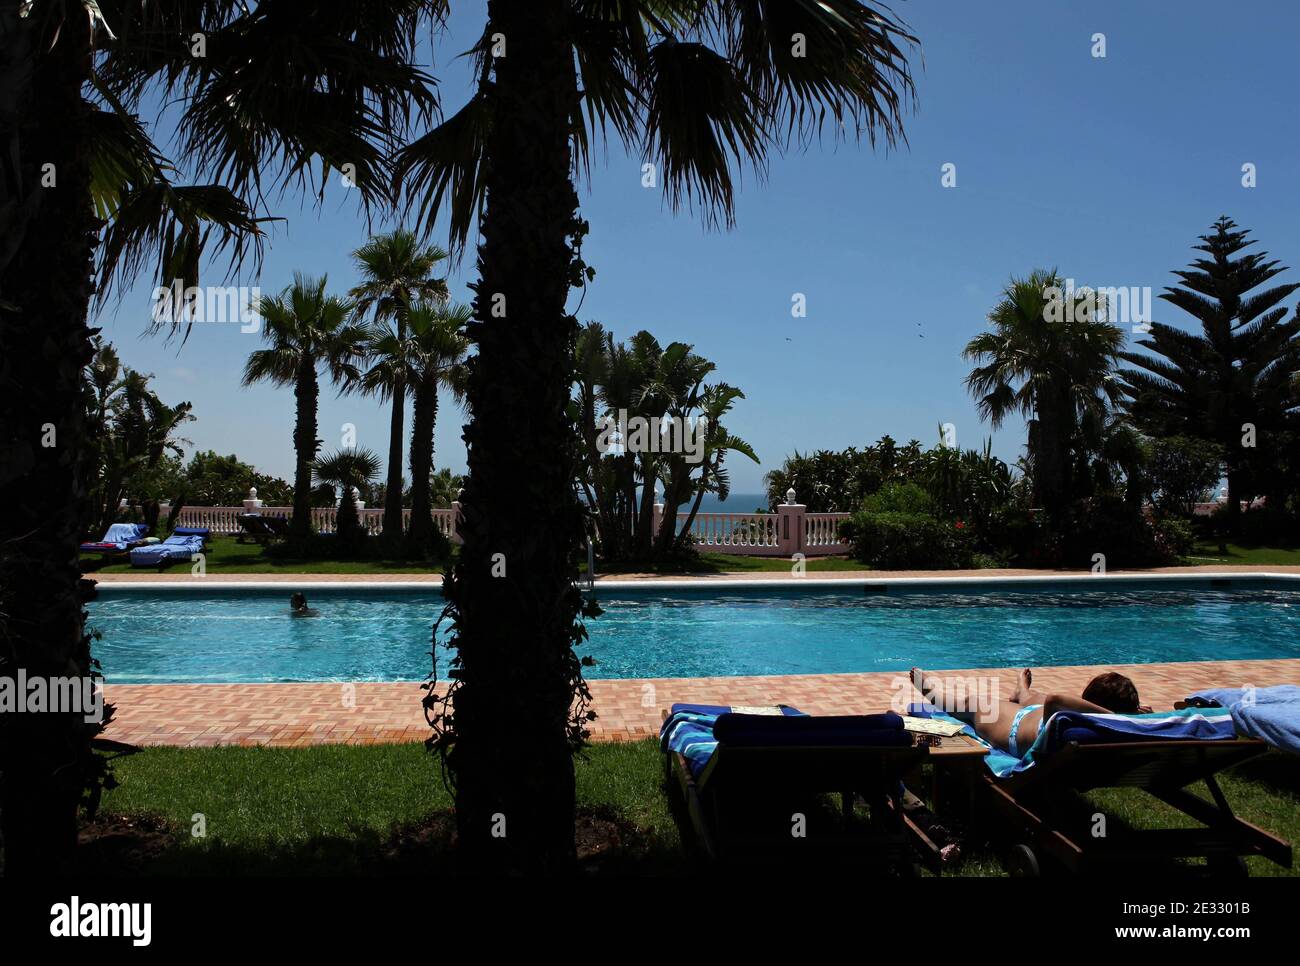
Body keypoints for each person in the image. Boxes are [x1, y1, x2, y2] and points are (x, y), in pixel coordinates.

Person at [911, 667, 1152, 758]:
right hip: (1036, 717)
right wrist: (1131, 716)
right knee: (1034, 699)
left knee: (970, 703)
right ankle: (1022, 691)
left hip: (1014, 728)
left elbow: (1056, 700)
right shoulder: (1127, 731)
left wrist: (1116, 715)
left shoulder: (1086, 722)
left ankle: (931, 691)